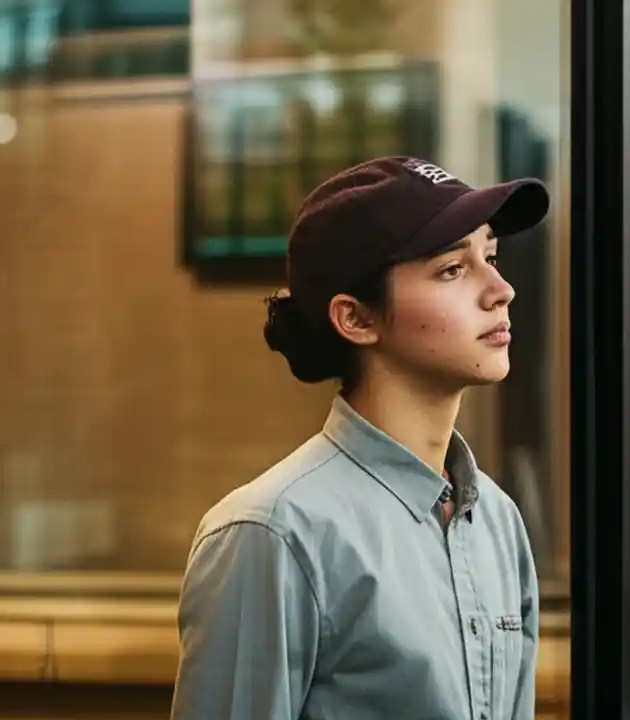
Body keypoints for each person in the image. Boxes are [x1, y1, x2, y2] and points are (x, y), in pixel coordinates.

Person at [170, 156, 549, 720]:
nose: (501, 290)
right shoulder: (272, 533)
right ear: (355, 318)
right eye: (452, 269)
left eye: (490, 256)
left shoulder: (496, 519)